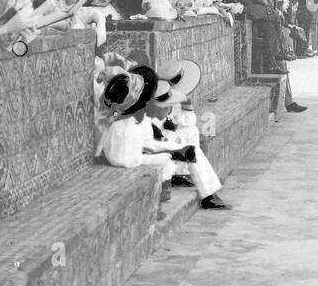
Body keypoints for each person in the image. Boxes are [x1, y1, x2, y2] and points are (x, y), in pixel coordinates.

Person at [97, 60, 231, 210]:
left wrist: (175, 148)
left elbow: (148, 142)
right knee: (174, 156)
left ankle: (208, 193)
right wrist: (171, 151)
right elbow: (137, 152)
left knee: (189, 149)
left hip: (133, 152)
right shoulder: (129, 119)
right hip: (127, 158)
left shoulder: (135, 115)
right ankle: (206, 194)